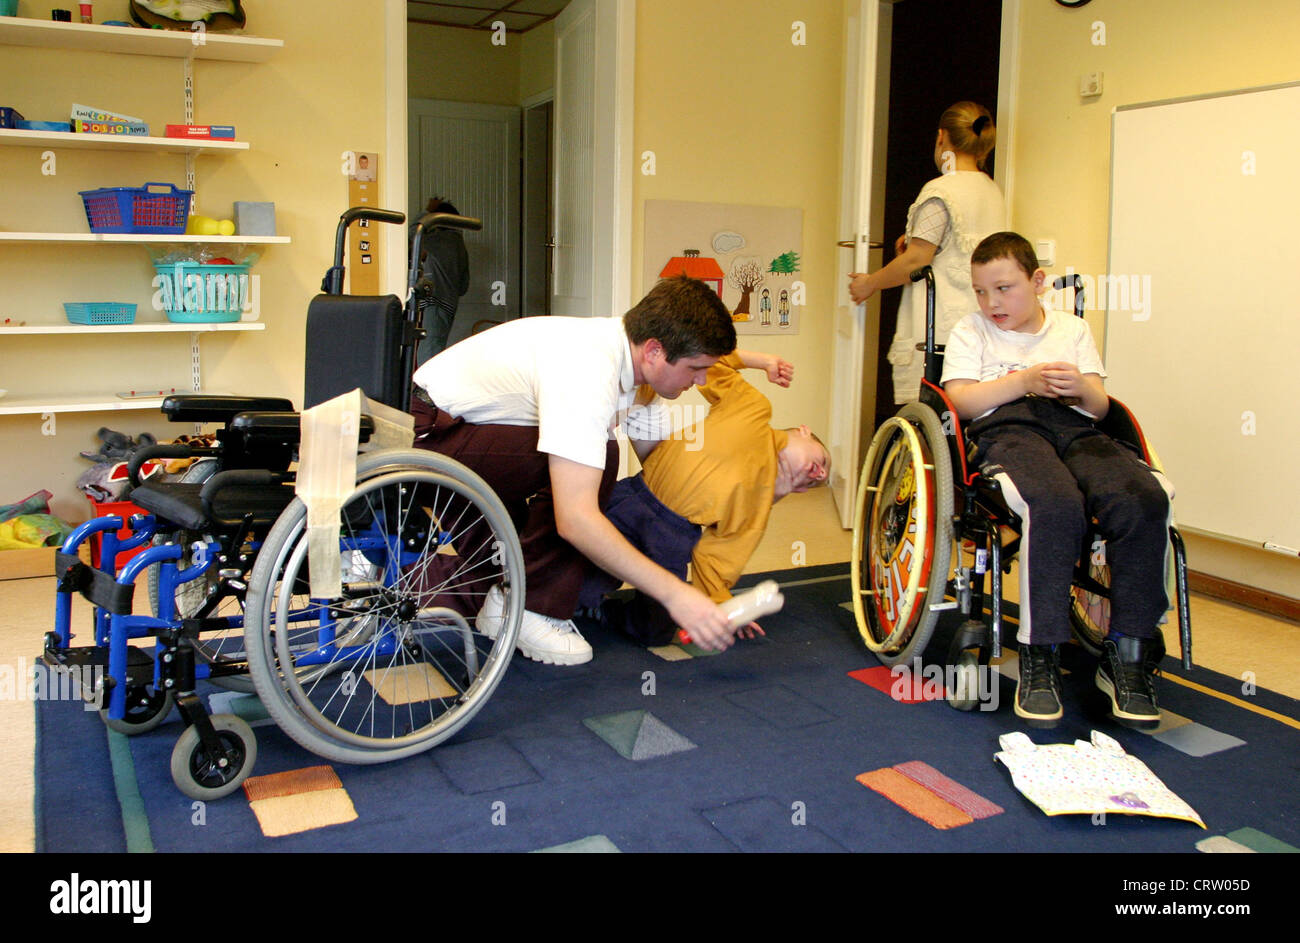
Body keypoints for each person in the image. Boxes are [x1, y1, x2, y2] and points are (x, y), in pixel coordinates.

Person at [409, 275, 739, 666]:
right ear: (654, 350)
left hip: (465, 437)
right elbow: (575, 519)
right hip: (425, 438)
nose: (701, 381)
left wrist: (711, 573)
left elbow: (665, 478)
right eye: (695, 368)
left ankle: (478, 595)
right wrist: (675, 595)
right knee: (599, 457)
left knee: (505, 565)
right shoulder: (589, 366)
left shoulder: (638, 377)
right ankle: (531, 609)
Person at [940, 231, 1174, 730]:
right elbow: (958, 401)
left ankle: (1129, 655)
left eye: (1004, 288)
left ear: (1038, 281)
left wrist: (1082, 390)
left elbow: (1102, 407)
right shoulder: (971, 330)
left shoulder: (1071, 329)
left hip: (1077, 428)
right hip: (1009, 429)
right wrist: (1023, 381)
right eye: (981, 291)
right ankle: (1040, 653)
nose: (991, 302)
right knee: (1054, 503)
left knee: (1143, 498)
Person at [576, 349, 830, 648]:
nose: (819, 472)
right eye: (822, 460)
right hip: (636, 497)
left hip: (675, 537)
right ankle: (569, 598)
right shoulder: (752, 409)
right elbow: (713, 361)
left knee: (656, 631)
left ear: (799, 491)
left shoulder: (755, 508)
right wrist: (763, 362)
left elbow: (717, 559)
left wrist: (725, 607)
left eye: (816, 481)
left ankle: (610, 612)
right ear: (804, 431)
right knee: (580, 571)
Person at [849, 101, 1006, 404]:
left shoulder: (940, 191)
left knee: (931, 410)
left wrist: (869, 283)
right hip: (980, 324)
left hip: (942, 329)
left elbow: (917, 260)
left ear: (941, 137)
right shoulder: (992, 191)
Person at [410, 196, 470, 364]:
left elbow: (414, 232)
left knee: (428, 354)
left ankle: (424, 383)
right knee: (435, 348)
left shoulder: (439, 239)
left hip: (434, 303)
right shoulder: (459, 245)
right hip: (448, 305)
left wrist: (427, 211)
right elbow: (463, 286)